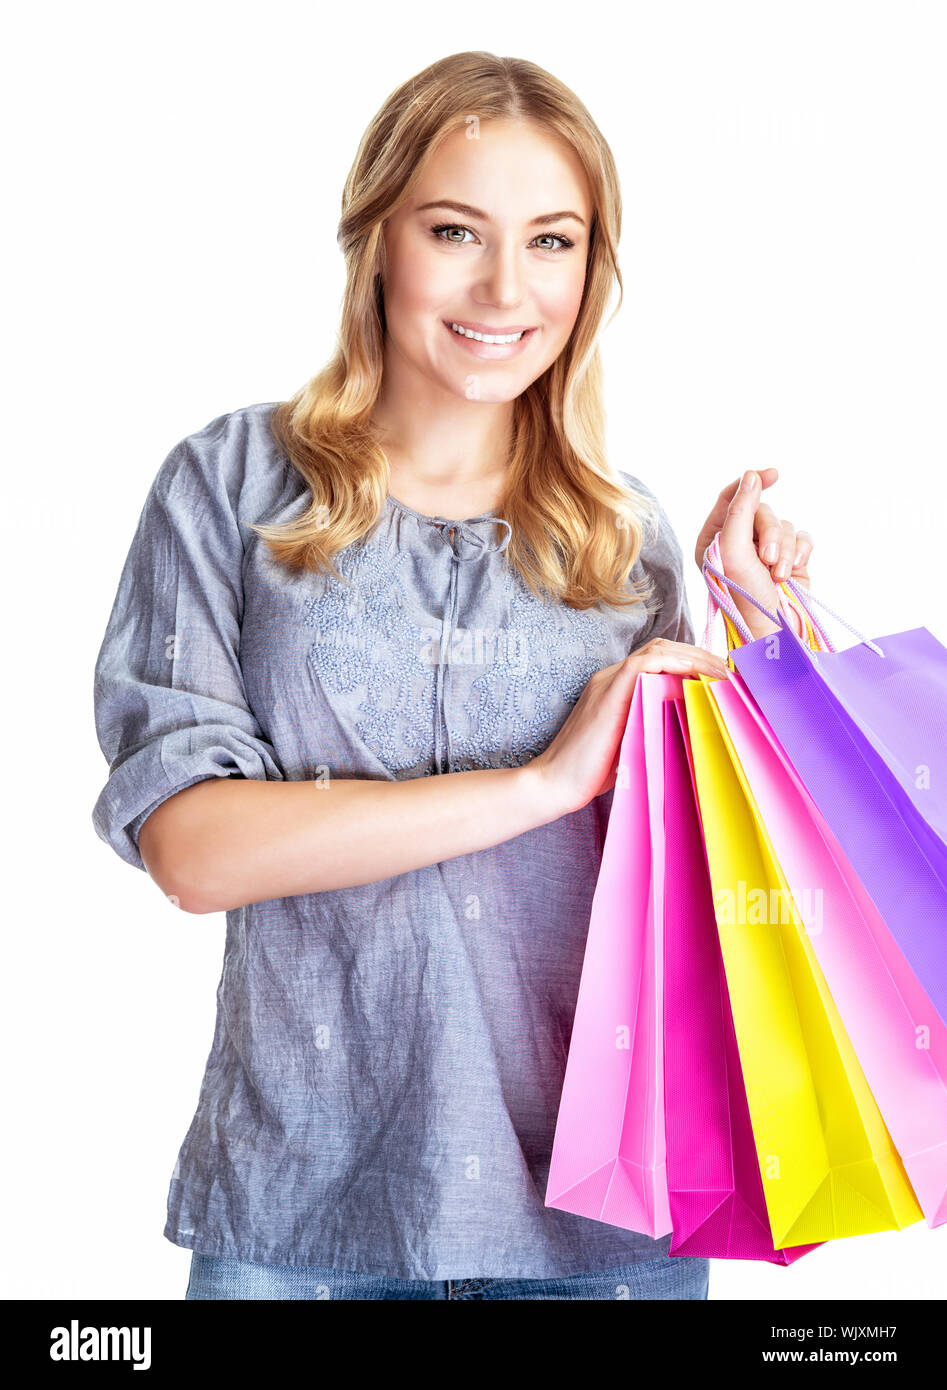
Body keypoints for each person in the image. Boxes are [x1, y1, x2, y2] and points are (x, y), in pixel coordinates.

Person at [91, 51, 813, 1302]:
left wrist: (761, 640)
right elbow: (193, 852)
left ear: (593, 274)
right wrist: (536, 783)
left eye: (550, 241)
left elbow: (705, 884)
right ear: (376, 240)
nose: (503, 287)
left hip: (603, 1229)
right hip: (300, 1212)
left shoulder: (622, 539)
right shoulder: (228, 488)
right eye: (452, 230)